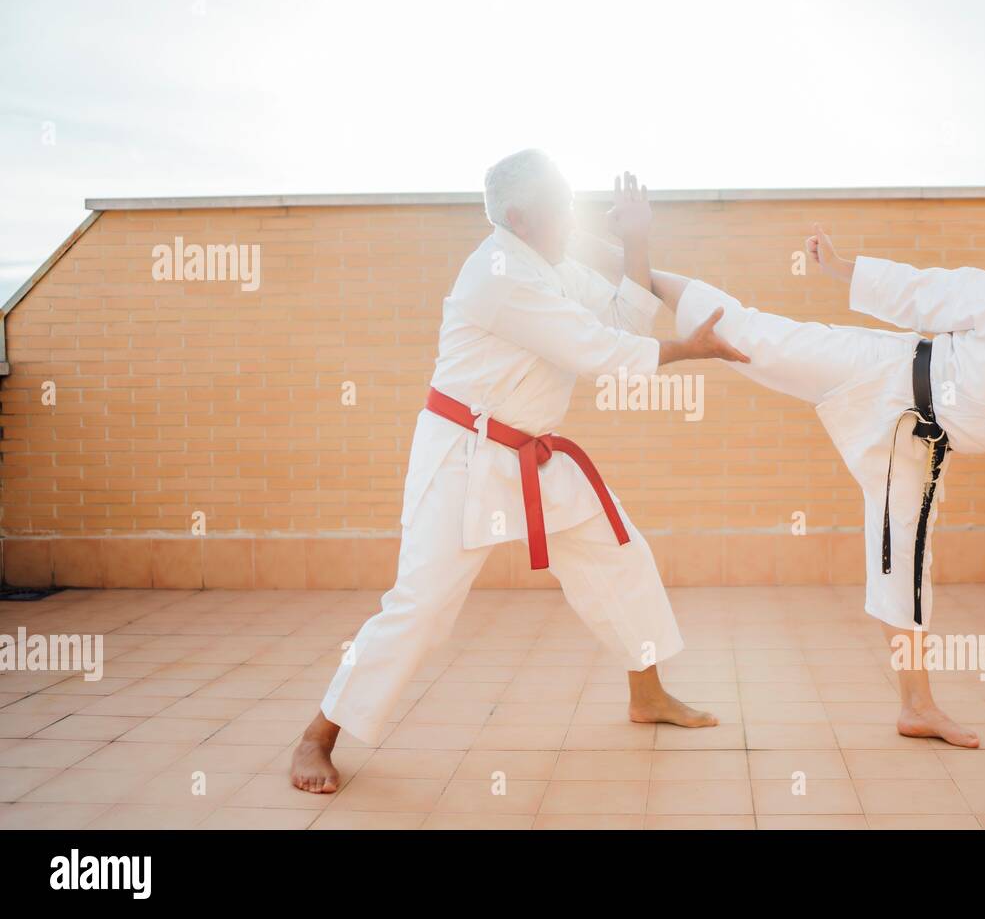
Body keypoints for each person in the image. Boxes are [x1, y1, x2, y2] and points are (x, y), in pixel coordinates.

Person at [580, 225, 985, 748]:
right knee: (752, 338)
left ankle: (918, 706)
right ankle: (627, 261)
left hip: (917, 446)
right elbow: (925, 290)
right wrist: (840, 267)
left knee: (906, 563)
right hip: (881, 368)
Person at [290, 150, 749, 792]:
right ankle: (317, 736)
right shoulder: (499, 274)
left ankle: (648, 694)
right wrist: (691, 351)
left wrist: (637, 240)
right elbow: (597, 352)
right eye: (557, 207)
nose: (569, 216)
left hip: (534, 454)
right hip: (462, 456)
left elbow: (622, 315)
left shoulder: (550, 267)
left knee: (620, 553)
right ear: (517, 216)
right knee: (421, 607)